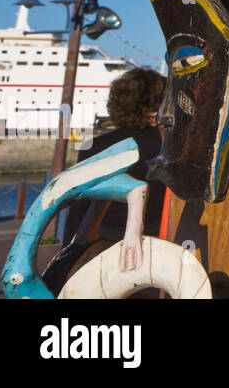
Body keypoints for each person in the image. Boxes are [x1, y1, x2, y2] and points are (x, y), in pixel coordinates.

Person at [44, 68, 166, 291]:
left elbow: (78, 210)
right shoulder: (164, 146)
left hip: (100, 243)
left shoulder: (95, 147)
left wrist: (68, 256)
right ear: (159, 103)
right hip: (155, 243)